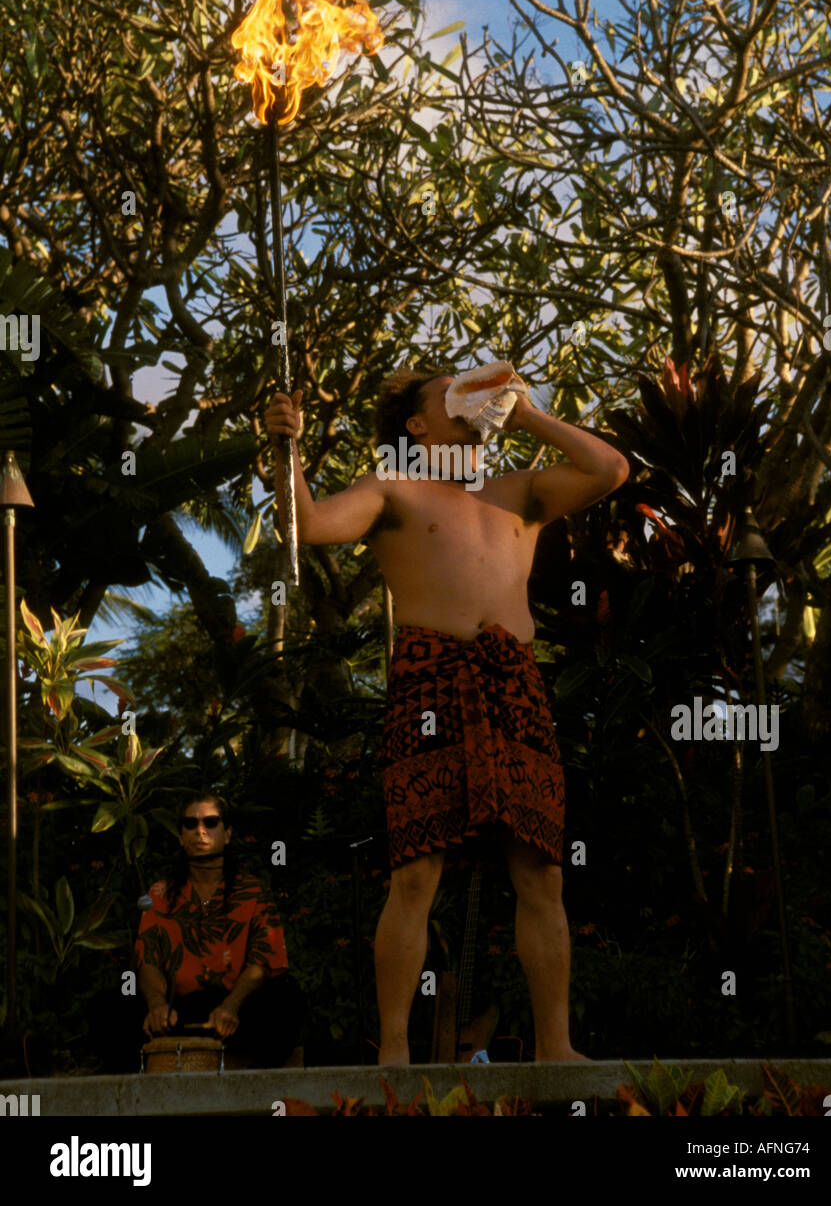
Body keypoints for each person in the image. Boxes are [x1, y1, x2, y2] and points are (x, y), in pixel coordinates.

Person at [264, 369, 628, 1064]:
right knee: (416, 871)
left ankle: (556, 1046)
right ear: (418, 426)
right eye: (448, 390)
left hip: (514, 678)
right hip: (430, 679)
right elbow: (307, 525)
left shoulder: (522, 490)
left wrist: (525, 417)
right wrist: (287, 449)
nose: (472, 392)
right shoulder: (390, 487)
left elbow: (609, 467)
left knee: (541, 871)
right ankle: (394, 1054)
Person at [132, 793, 303, 1067]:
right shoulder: (159, 893)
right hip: (179, 1009)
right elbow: (148, 960)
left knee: (286, 998)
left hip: (238, 1004)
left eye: (211, 822)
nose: (200, 830)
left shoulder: (252, 891)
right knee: (112, 1005)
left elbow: (262, 963)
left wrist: (231, 1006)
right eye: (190, 823)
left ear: (227, 834)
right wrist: (156, 1006)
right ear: (180, 837)